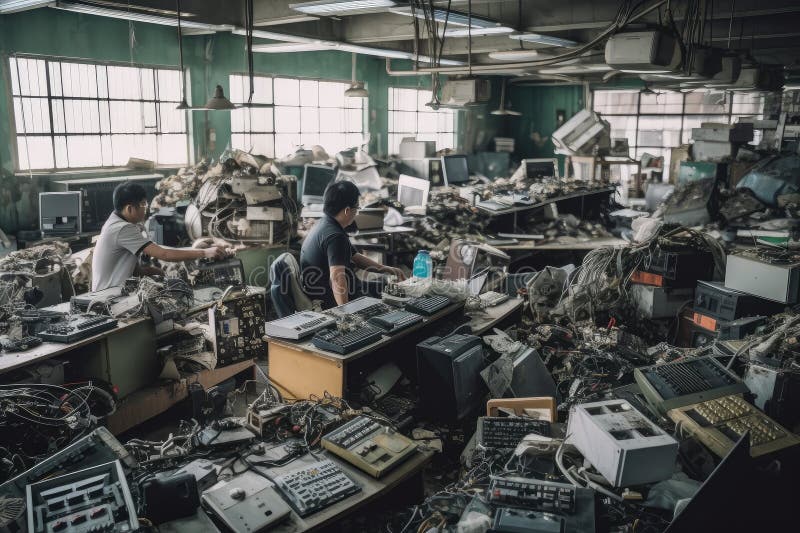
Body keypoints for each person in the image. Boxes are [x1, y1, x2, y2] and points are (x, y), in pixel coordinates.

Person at [91, 182, 227, 291]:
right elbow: (164, 254)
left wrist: (149, 271)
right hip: (109, 298)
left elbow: (131, 263)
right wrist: (205, 252)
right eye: (143, 204)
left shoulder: (113, 223)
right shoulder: (122, 229)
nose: (146, 208)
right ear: (129, 209)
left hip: (109, 292)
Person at [300, 181, 406, 309]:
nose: (357, 212)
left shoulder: (325, 224)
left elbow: (356, 257)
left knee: (386, 286)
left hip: (350, 288)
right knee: (398, 305)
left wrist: (388, 269)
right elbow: (337, 279)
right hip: (333, 299)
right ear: (347, 210)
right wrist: (346, 314)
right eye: (357, 207)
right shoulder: (335, 236)